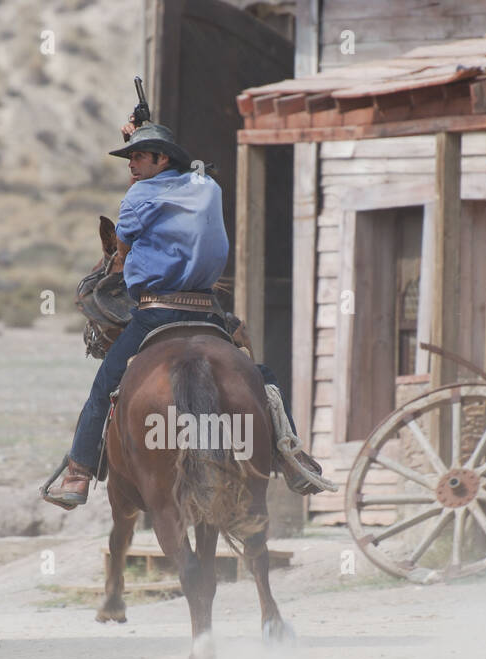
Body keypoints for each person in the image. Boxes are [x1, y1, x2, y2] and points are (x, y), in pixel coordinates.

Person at [43, 119, 325, 510]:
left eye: (139, 156)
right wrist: (144, 138)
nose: (131, 164)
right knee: (263, 380)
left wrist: (138, 181)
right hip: (206, 312)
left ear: (161, 158)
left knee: (101, 388)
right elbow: (179, 176)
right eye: (130, 157)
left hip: (155, 313)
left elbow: (122, 253)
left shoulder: (138, 197)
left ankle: (78, 474)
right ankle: (292, 458)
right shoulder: (207, 187)